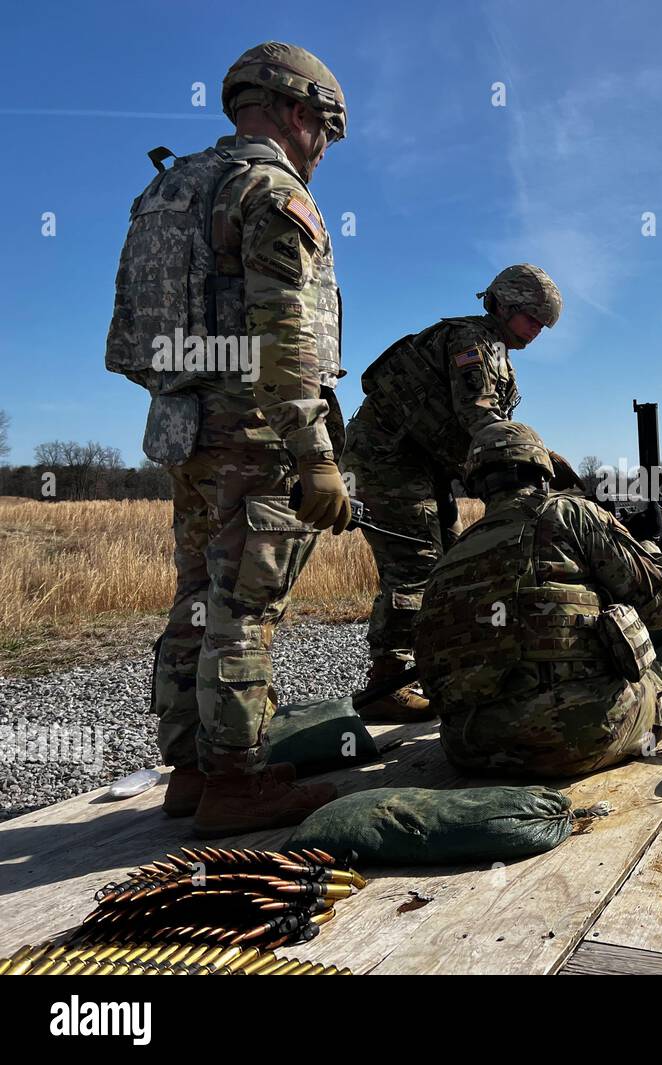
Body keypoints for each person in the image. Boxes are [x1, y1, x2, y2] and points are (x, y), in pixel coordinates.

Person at [104, 42, 351, 836]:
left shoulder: (165, 189)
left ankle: (189, 769)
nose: (322, 150)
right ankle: (238, 782)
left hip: (183, 427)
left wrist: (187, 392)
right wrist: (313, 453)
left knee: (196, 600)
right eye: (325, 131)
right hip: (257, 431)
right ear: (297, 111)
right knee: (245, 608)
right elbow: (286, 334)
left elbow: (127, 339)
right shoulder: (271, 192)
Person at [414, 421, 662, 777]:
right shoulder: (570, 514)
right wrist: (647, 545)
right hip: (581, 737)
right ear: (542, 474)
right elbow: (657, 607)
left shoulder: (450, 557)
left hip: (470, 748)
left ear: (477, 485)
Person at [342, 265, 578, 721]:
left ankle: (436, 668)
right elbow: (481, 421)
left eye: (542, 324)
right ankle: (388, 680)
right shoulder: (472, 344)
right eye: (532, 319)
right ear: (506, 307)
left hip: (424, 466)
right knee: (416, 562)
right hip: (387, 462)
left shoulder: (494, 353)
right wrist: (542, 458)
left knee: (452, 559)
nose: (537, 331)